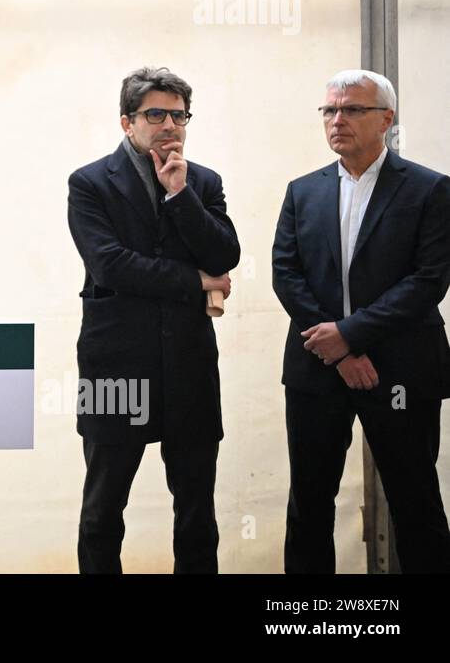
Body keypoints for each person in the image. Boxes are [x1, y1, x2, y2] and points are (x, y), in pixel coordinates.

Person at [272, 69, 450, 573]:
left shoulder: (429, 190)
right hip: (316, 369)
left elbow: (428, 282)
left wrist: (349, 335)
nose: (337, 120)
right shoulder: (301, 191)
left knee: (414, 498)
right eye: (329, 110)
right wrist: (340, 351)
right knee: (309, 501)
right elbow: (286, 274)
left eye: (352, 110)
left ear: (386, 120)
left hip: (399, 367)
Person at [67, 67, 239, 573]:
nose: (169, 125)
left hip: (188, 364)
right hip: (115, 365)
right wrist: (196, 283)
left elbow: (224, 252)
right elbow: (110, 265)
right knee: (102, 511)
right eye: (155, 114)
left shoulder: (203, 181)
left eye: (178, 115)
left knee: (195, 514)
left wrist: (180, 195)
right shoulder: (91, 182)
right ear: (128, 122)